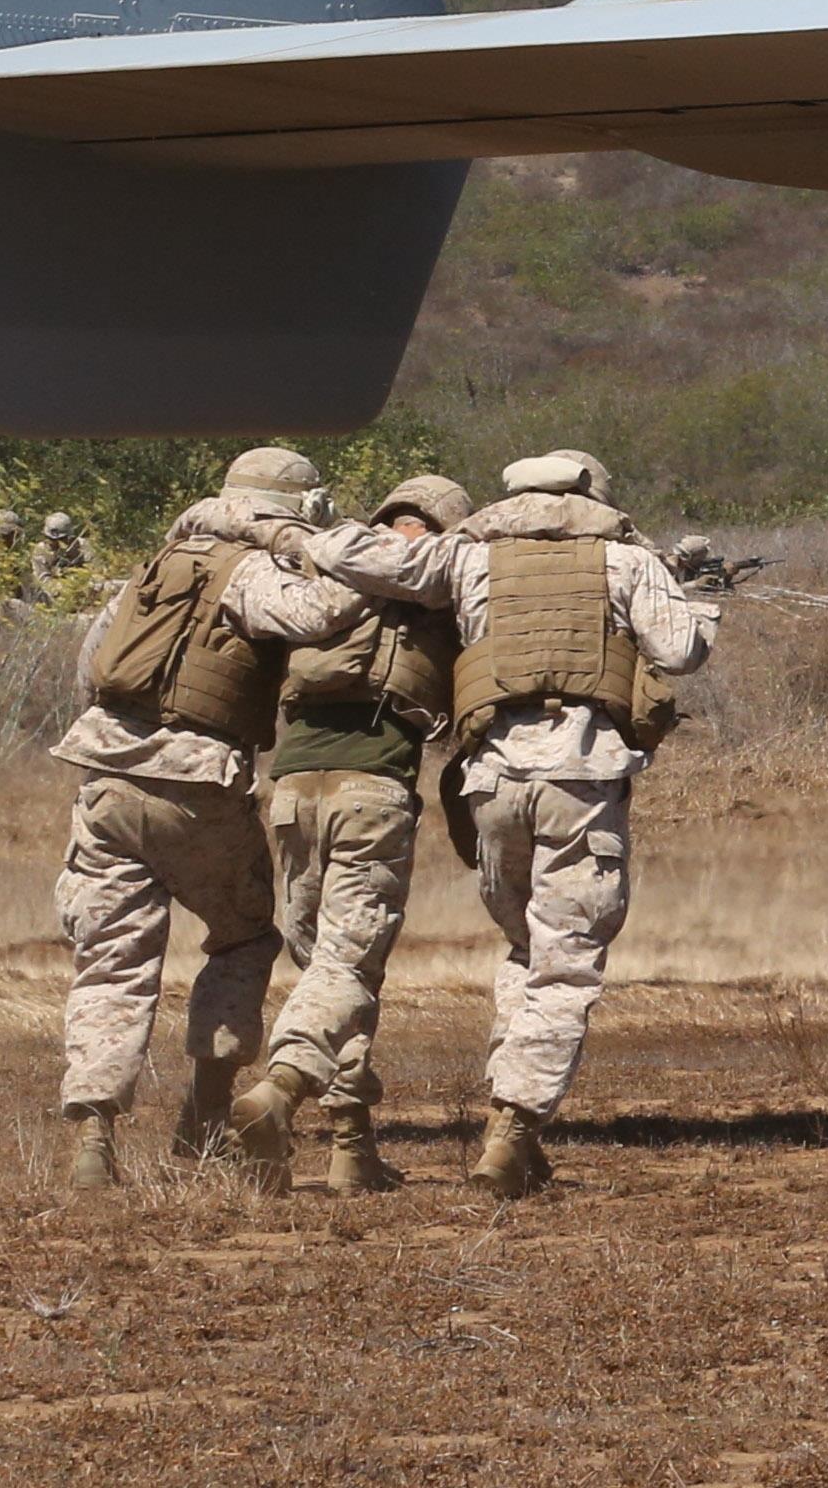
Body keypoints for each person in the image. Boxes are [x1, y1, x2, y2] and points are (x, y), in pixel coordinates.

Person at [48, 447, 341, 1186]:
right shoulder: (250, 571)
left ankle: (93, 1139)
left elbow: (89, 672)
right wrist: (326, 554)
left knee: (111, 960)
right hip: (198, 781)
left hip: (105, 778)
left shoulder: (150, 571)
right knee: (243, 937)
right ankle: (206, 1112)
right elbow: (321, 613)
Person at [434, 450, 718, 1197]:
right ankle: (515, 1124)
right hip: (580, 772)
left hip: (489, 773)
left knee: (525, 946)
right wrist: (700, 599)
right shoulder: (622, 559)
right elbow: (679, 652)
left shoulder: (467, 556)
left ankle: (515, 1133)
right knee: (565, 957)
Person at [230, 473, 471, 1194]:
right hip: (372, 789)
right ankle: (280, 1088)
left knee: (327, 968)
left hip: (292, 789)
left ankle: (350, 1144)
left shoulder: (328, 563)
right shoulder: (440, 582)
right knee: (349, 964)